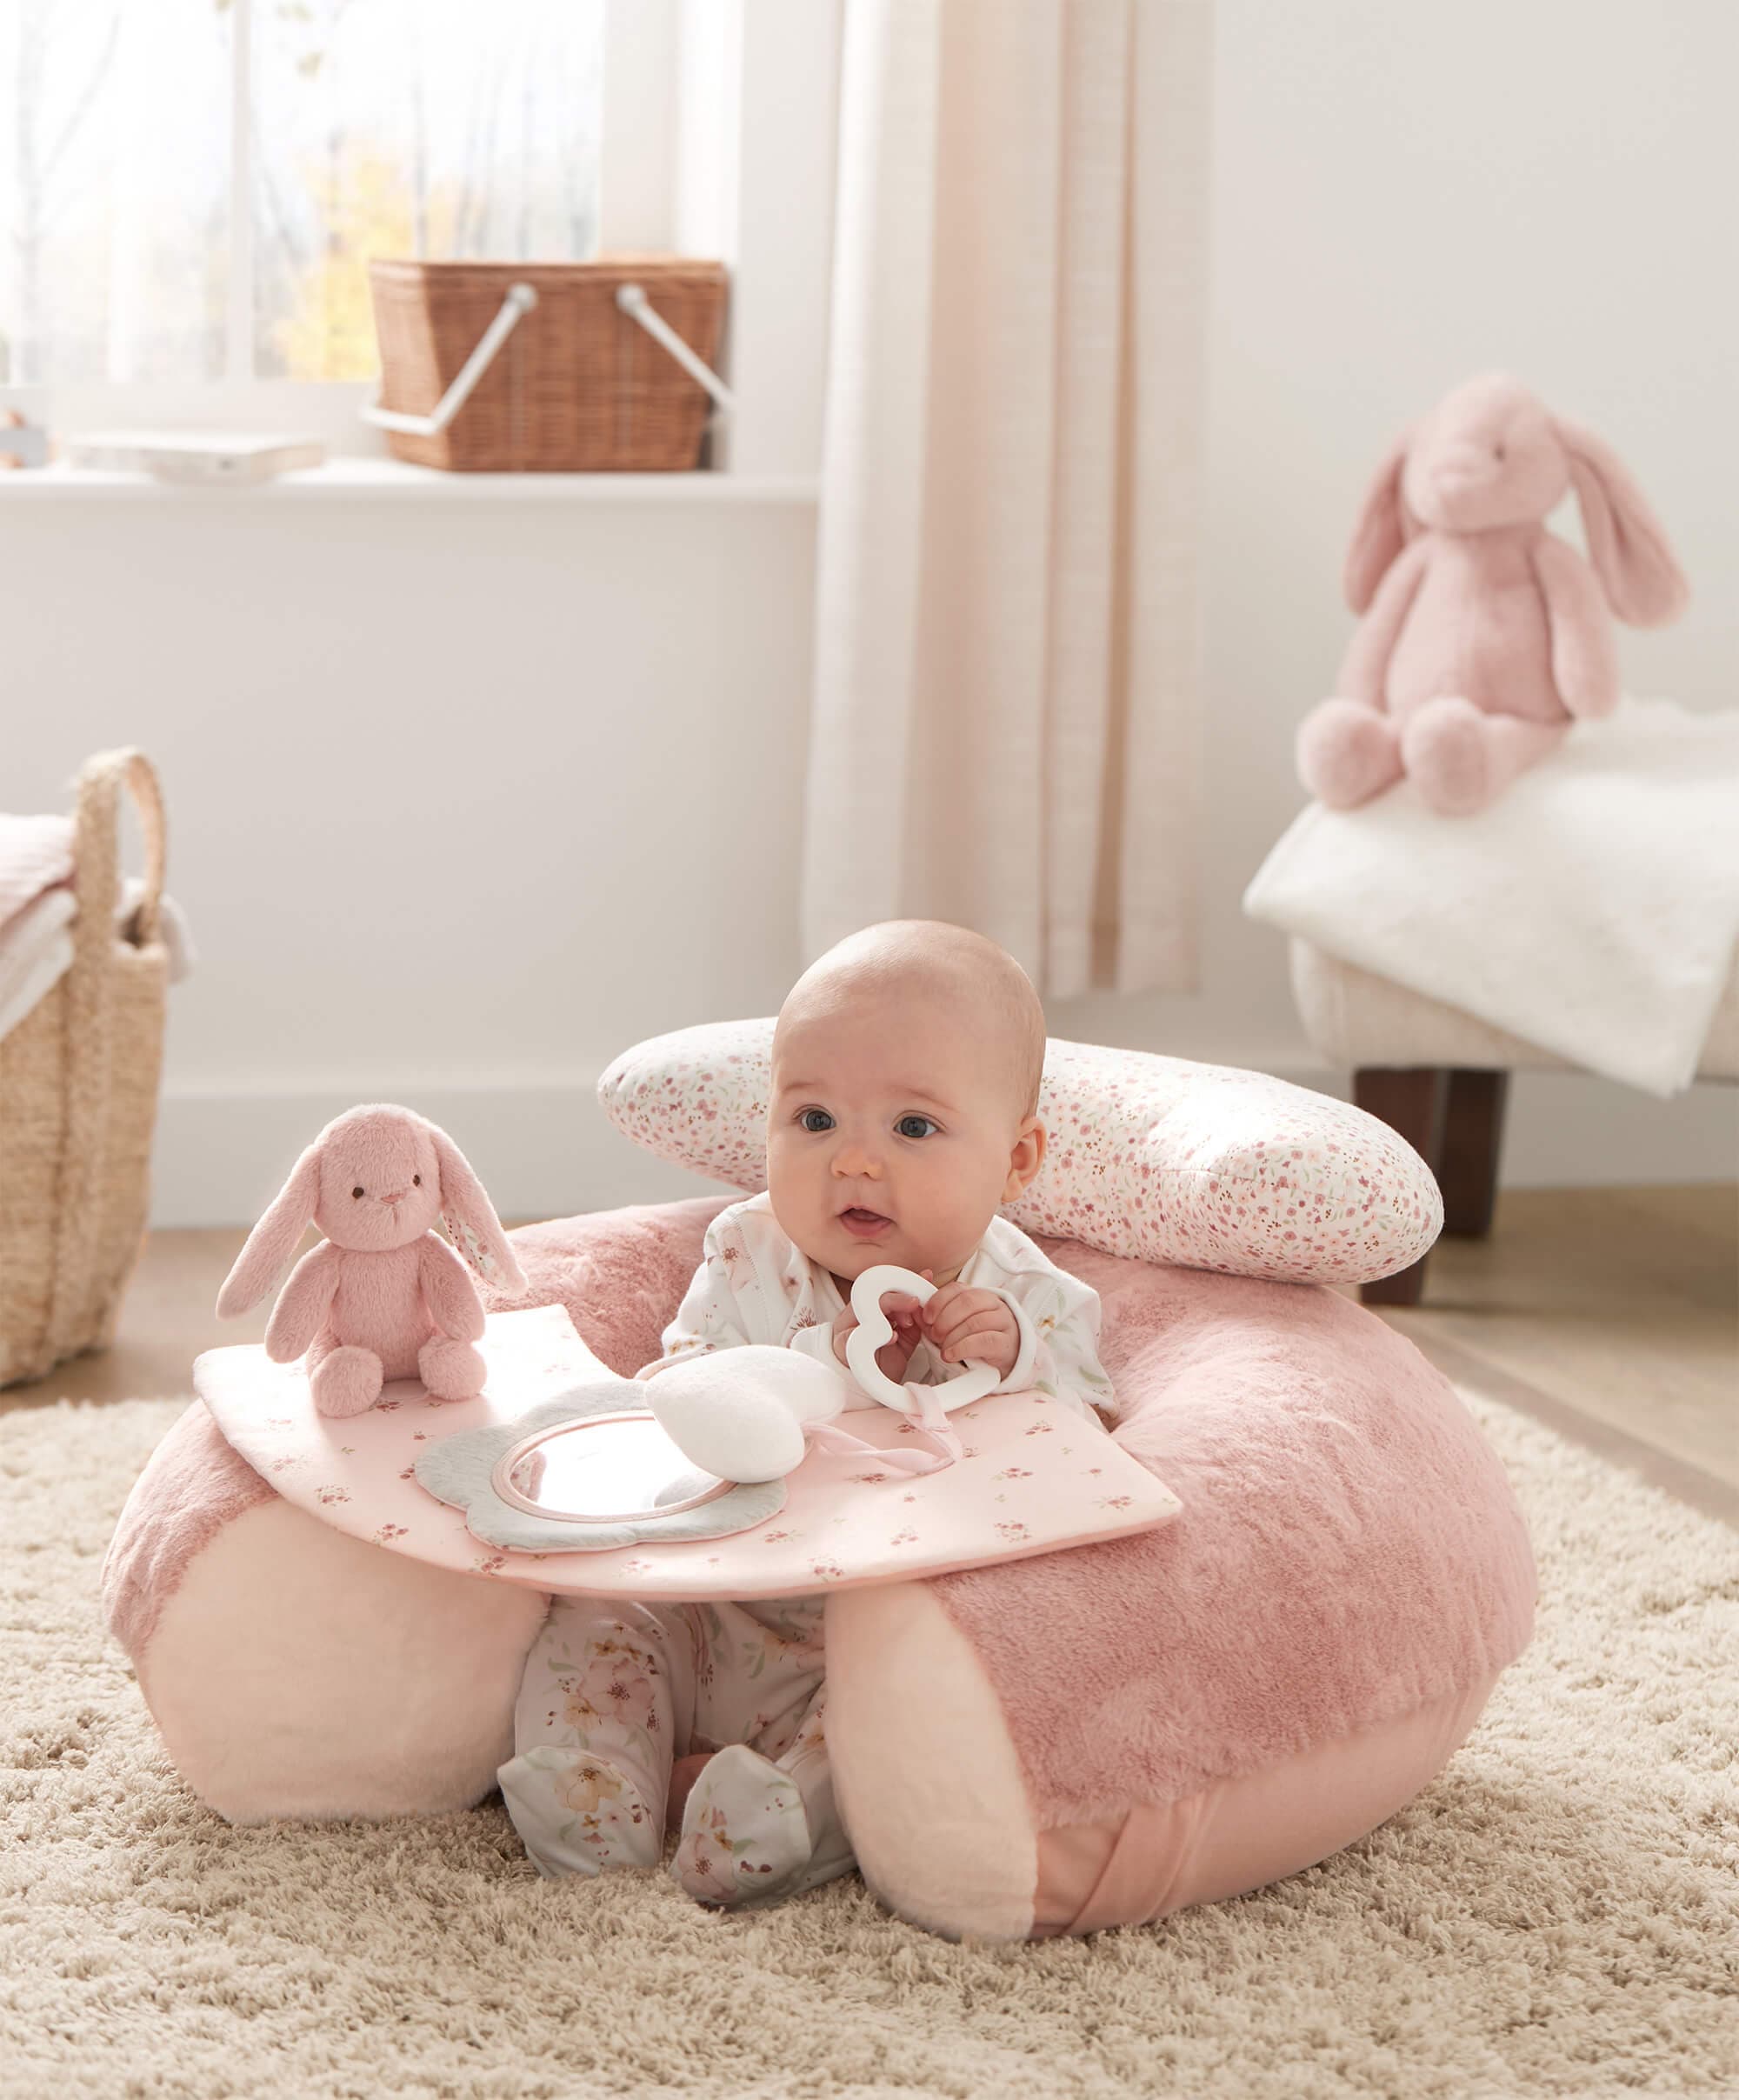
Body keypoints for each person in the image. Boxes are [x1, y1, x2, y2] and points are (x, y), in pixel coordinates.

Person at [496, 920, 1116, 1907]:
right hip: (710, 1601)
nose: (854, 1161)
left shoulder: (1030, 1298)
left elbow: (1087, 1453)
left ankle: (772, 1817)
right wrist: (811, 1363)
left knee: (909, 1700)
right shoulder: (746, 1251)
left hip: (861, 1634)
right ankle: (593, 1780)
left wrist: (1013, 1363)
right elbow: (681, 1388)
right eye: (815, 1118)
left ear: (1015, 1160)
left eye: (913, 1128)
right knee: (596, 1620)